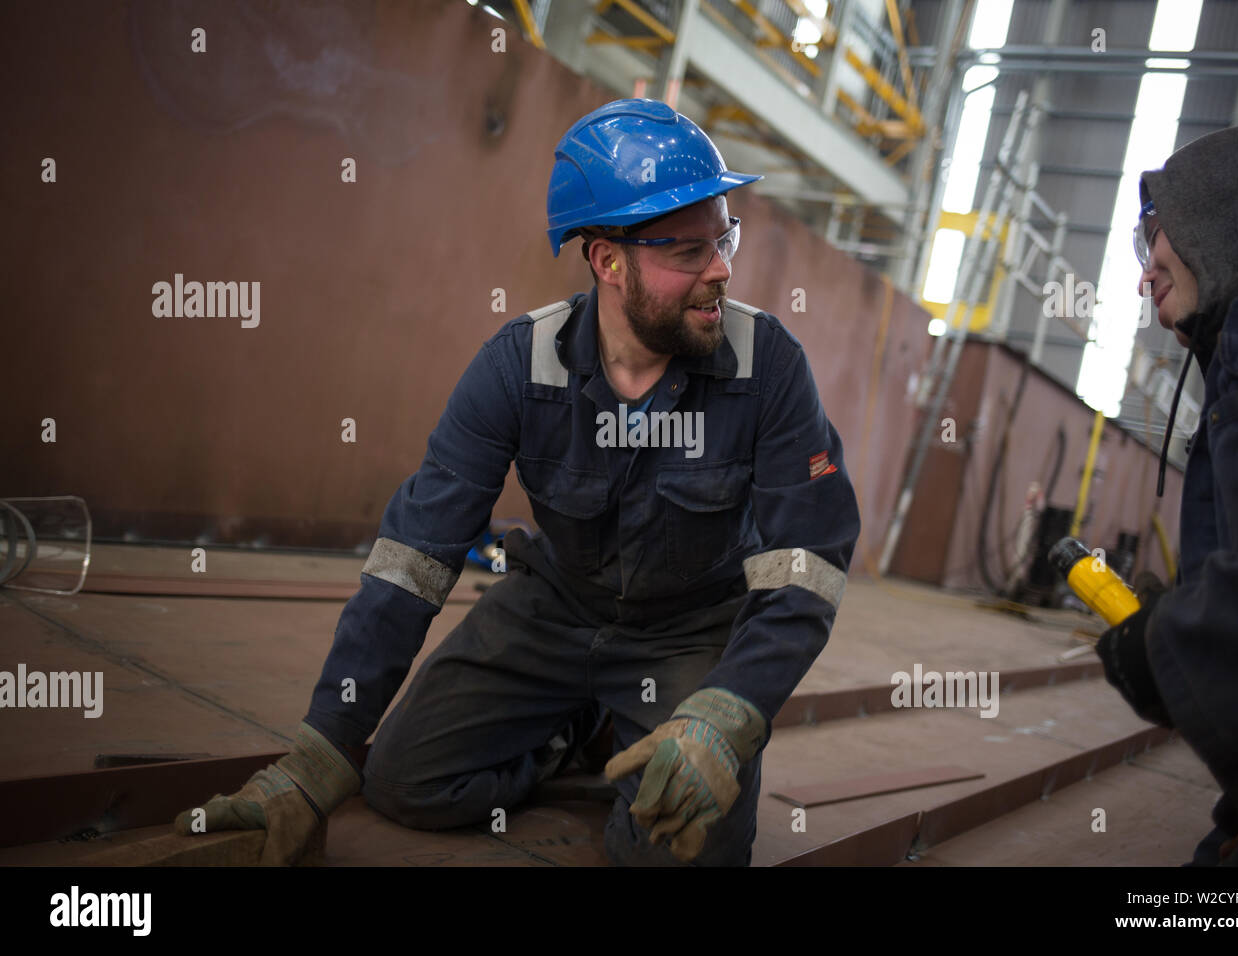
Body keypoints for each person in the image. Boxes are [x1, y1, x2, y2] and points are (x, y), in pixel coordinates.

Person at [174, 98, 860, 866]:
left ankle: (646, 731)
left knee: (680, 847)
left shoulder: (769, 368)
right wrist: (318, 753)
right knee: (403, 782)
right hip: (555, 610)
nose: (721, 270)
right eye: (688, 251)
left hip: (691, 631)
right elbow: (413, 558)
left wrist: (727, 714)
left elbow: (809, 562)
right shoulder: (515, 367)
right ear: (607, 261)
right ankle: (573, 731)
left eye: (724, 236)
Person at [1096, 122, 1238, 865]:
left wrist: (1176, 640)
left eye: (1156, 240)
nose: (1144, 273)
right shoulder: (1233, 370)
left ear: (1219, 213)